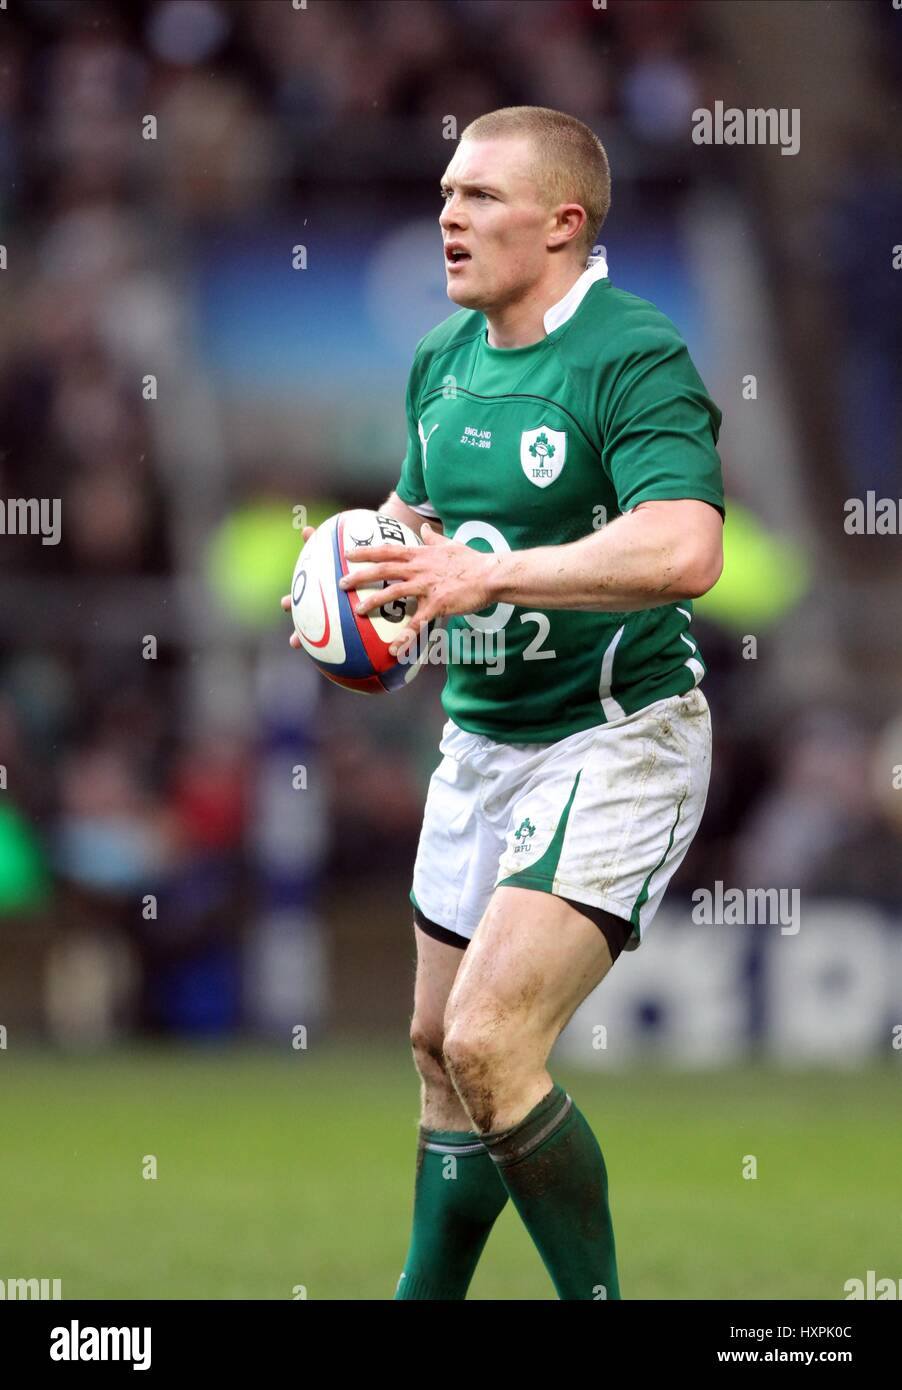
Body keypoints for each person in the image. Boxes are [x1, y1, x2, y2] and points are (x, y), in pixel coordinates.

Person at [282, 105, 724, 1300]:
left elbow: (684, 548)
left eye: (478, 196)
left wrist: (490, 573)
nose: (447, 215)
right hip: (480, 738)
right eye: (443, 193)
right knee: (438, 1054)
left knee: (489, 1041)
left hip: (616, 737)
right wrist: (357, 574)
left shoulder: (631, 354)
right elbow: (416, 526)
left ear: (563, 222)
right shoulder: (441, 359)